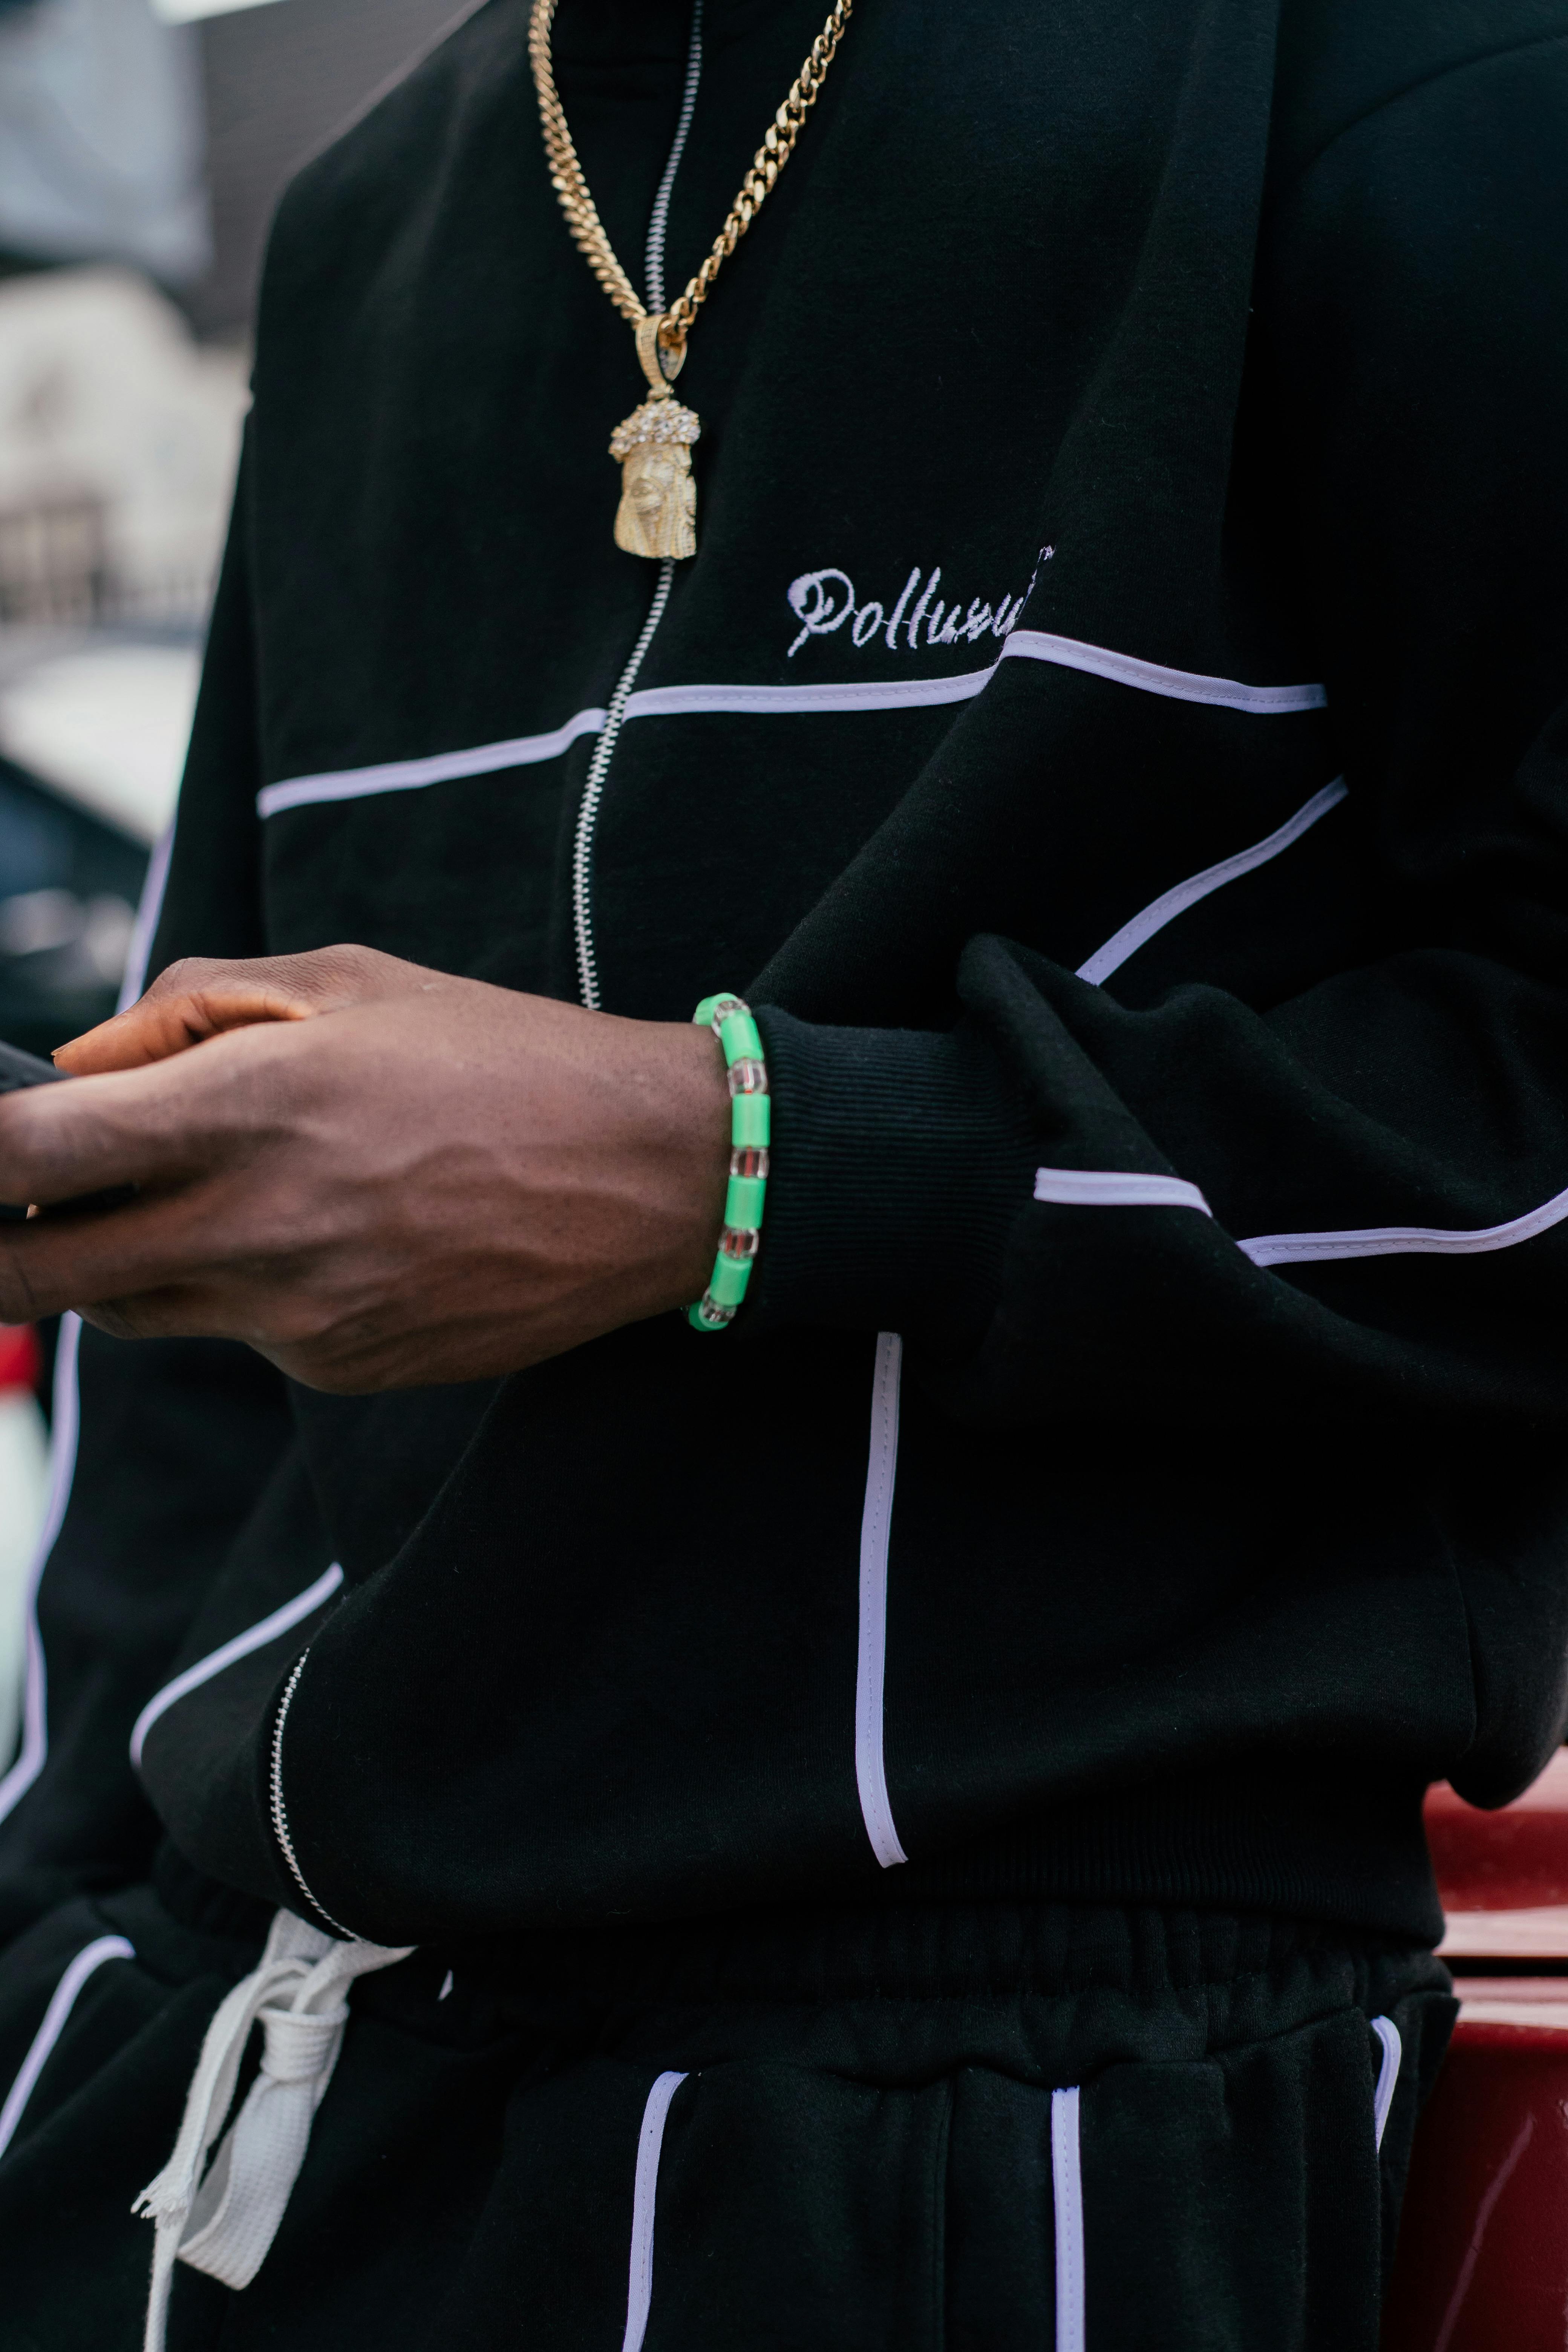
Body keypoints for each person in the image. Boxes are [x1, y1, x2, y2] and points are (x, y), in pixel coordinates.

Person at [1, 0, 1566, 2342]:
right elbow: (170, 1355)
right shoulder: (374, 212)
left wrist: (741, 1164)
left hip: (1005, 2148)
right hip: (226, 2102)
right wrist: (52, 1992)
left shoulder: (1413, 73)